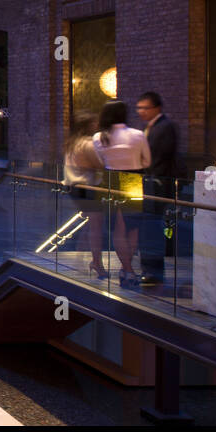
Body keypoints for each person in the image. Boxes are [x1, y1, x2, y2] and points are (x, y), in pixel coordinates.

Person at [94, 100, 151, 290]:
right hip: (134, 180)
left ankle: (127, 270)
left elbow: (100, 161)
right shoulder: (137, 134)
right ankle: (128, 269)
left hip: (111, 181)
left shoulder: (99, 137)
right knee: (133, 227)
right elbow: (147, 161)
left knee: (118, 227)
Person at [134, 92, 178, 288]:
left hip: (157, 186)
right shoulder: (151, 127)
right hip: (150, 185)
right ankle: (150, 271)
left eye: (145, 108)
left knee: (152, 228)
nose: (141, 112)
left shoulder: (165, 127)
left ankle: (154, 272)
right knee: (149, 228)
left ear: (156, 108)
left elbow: (160, 158)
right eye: (139, 108)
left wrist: (152, 176)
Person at [64, 112, 106, 278]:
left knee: (90, 223)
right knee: (96, 225)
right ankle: (96, 262)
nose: (97, 125)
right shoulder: (87, 144)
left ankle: (80, 256)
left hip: (73, 187)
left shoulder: (71, 143)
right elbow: (100, 164)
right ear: (88, 125)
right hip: (87, 187)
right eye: (94, 122)